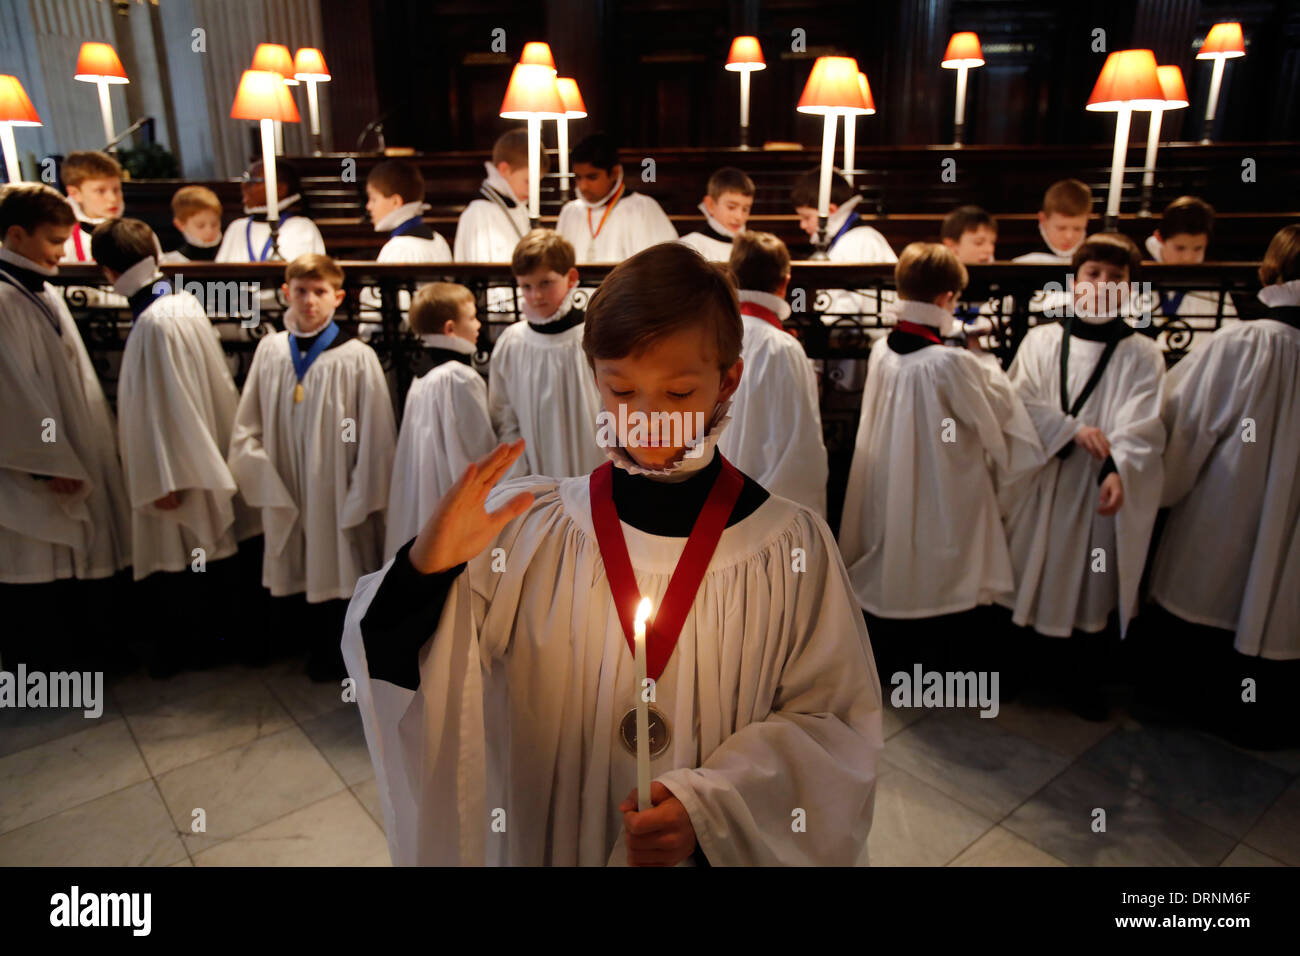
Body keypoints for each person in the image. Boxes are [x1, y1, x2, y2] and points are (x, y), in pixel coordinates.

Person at [341, 241, 883, 866]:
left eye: (679, 394)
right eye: (620, 390)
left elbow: (834, 728)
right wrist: (421, 573)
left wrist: (709, 810)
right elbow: (409, 670)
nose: (648, 418)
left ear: (728, 379)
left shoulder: (791, 547)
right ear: (592, 374)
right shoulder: (529, 531)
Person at [837, 242, 1043, 681]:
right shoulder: (951, 362)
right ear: (948, 298)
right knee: (943, 554)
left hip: (891, 476)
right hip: (941, 482)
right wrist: (983, 358)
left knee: (896, 549)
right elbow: (993, 420)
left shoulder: (882, 350)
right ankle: (943, 662)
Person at [999, 234, 1166, 721]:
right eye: (1094, 274)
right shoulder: (1043, 339)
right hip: (1045, 474)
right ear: (1075, 279)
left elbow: (1145, 423)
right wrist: (1069, 429)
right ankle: (1018, 668)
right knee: (1029, 566)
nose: (1104, 285)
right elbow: (1019, 399)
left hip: (1095, 485)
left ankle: (1079, 680)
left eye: (1117, 277)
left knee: (1088, 582)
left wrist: (1119, 468)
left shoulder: (1142, 354)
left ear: (1130, 287)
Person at [1147, 224, 1300, 748]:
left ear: (1273, 268)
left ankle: (1191, 703)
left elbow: (1186, 423)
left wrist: (1162, 490)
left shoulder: (1246, 339)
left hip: (1227, 501)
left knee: (1212, 584)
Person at [91, 218, 261, 675]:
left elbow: (171, 410)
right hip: (198, 455)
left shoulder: (155, 323)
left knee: (189, 556)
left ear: (107, 273)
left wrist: (171, 478)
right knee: (205, 555)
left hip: (181, 467)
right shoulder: (180, 301)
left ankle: (199, 647)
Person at [228, 254, 396, 680]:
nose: (309, 301)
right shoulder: (270, 351)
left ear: (337, 297)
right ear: (287, 293)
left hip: (334, 483)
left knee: (335, 562)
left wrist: (361, 493)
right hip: (285, 477)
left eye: (320, 292)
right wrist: (265, 481)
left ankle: (334, 651)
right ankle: (293, 641)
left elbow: (376, 435)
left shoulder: (357, 357)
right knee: (294, 560)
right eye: (300, 291)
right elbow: (247, 425)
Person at [0, 184, 131, 671]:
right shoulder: (3, 299)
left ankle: (85, 654)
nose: (61, 252)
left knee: (72, 557)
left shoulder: (40, 289)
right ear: (16, 234)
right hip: (33, 467)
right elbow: (12, 393)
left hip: (69, 451)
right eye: (55, 241)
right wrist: (47, 461)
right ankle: (46, 667)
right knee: (37, 559)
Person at [716, 231, 828, 516]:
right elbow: (800, 448)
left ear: (732, 276)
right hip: (768, 511)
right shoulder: (784, 347)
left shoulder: (713, 335)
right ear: (784, 282)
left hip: (712, 502)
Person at [385, 282, 495, 558]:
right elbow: (479, 449)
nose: (479, 324)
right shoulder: (460, 376)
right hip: (453, 492)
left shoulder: (422, 375)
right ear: (450, 328)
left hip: (426, 493)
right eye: (471, 317)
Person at [488, 229, 604, 478]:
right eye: (526, 286)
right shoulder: (512, 342)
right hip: (534, 471)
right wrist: (519, 471)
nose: (535, 295)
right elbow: (503, 413)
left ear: (571, 278)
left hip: (593, 463)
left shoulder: (593, 337)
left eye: (545, 283)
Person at [555, 132, 677, 263]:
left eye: (592, 177)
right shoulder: (570, 211)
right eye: (578, 177)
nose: (582, 186)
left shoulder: (643, 208)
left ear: (614, 173)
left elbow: (662, 264)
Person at [1144, 196, 1236, 322]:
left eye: (1198, 249)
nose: (1188, 258)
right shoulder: (1140, 274)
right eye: (1180, 248)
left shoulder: (1214, 280)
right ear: (1159, 238)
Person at [215, 158, 325, 264]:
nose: (244, 185)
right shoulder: (237, 227)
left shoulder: (302, 227)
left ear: (280, 189)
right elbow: (219, 276)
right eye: (245, 179)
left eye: (253, 181)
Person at [59, 151, 124, 264]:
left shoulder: (138, 233)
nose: (113, 199)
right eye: (100, 191)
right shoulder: (64, 240)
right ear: (75, 193)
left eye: (116, 189)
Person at [678, 167, 754, 262]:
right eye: (731, 207)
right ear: (711, 205)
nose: (739, 217)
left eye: (745, 209)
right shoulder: (690, 246)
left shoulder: (752, 249)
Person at [1012, 178, 1092, 263]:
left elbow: (1069, 276)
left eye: (1077, 229)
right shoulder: (1024, 262)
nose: (1069, 236)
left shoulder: (1089, 262)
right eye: (1061, 228)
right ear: (1043, 220)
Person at [160, 186, 224, 263]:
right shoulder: (176, 262)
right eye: (200, 225)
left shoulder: (229, 253)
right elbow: (179, 275)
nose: (209, 231)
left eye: (214, 224)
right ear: (180, 225)